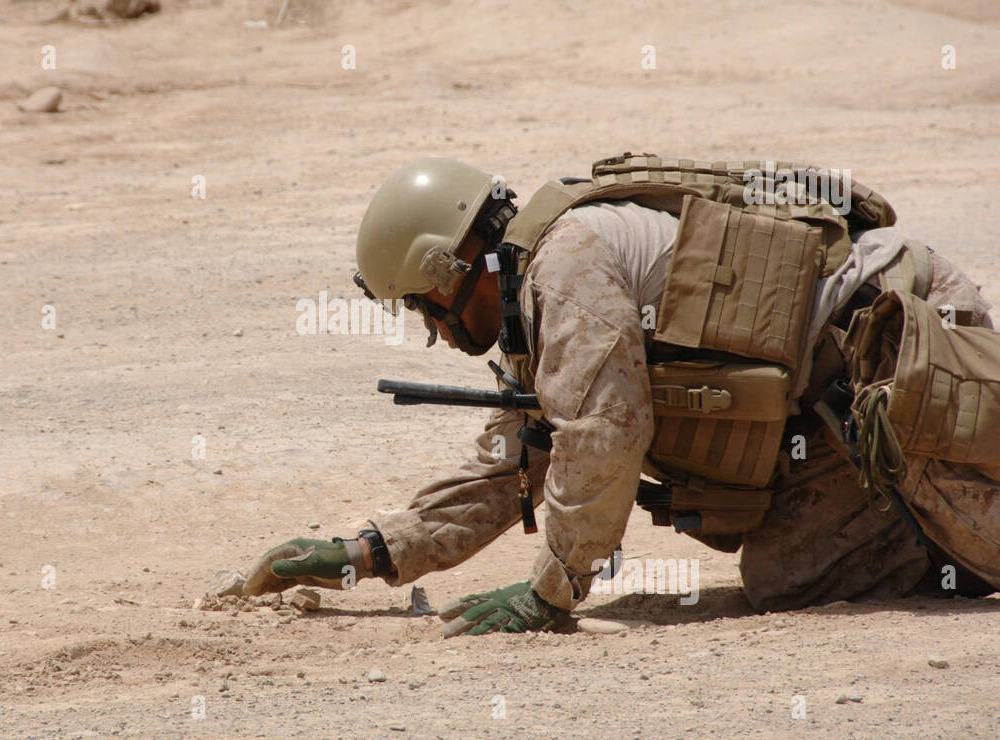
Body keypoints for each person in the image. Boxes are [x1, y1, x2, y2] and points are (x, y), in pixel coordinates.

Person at [244, 155, 1000, 636]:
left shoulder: (564, 269)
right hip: (834, 409)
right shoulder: (526, 308)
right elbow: (513, 468)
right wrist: (368, 551)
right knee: (788, 571)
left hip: (902, 346)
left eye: (427, 311)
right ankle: (923, 533)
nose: (438, 336)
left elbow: (604, 433)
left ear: (450, 270)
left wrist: (552, 590)